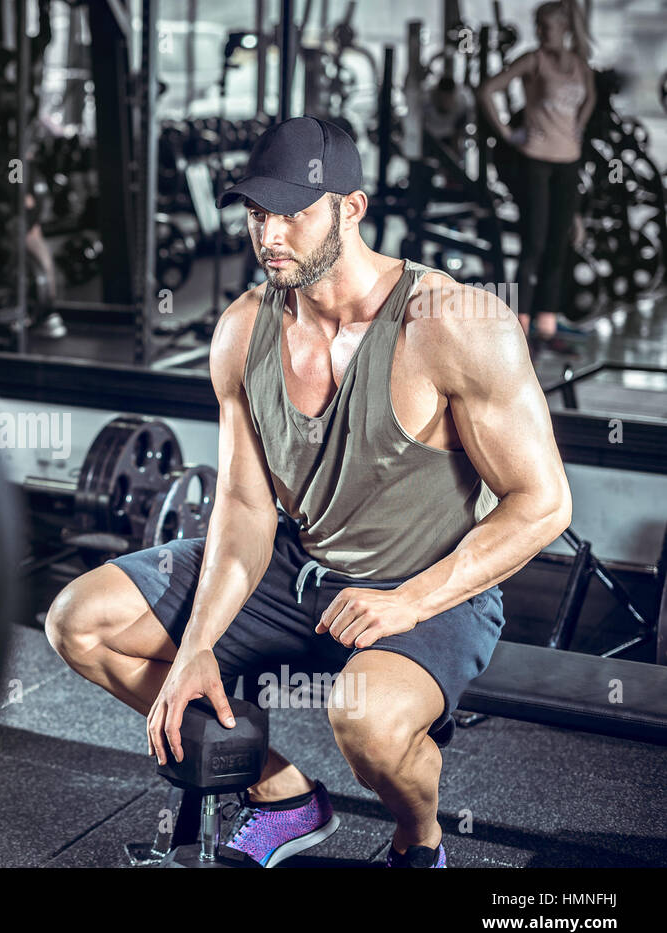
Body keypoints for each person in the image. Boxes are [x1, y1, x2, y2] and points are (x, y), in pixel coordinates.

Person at [44, 116, 572, 868]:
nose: (272, 235)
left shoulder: (452, 321)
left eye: (293, 211)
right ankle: (283, 794)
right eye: (259, 214)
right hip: (303, 569)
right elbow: (246, 509)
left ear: (351, 208)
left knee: (369, 724)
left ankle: (418, 843)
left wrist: (409, 601)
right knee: (79, 620)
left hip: (428, 583)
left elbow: (543, 503)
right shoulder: (243, 332)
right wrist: (195, 644)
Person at [477, 0, 595, 355]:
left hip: (567, 162)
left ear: (564, 28)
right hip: (536, 162)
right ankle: (519, 327)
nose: (541, 33)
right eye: (538, 26)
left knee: (559, 245)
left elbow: (589, 98)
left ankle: (546, 325)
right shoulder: (533, 60)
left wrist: (578, 128)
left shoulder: (578, 64)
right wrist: (507, 133)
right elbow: (486, 91)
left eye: (546, 26)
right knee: (535, 245)